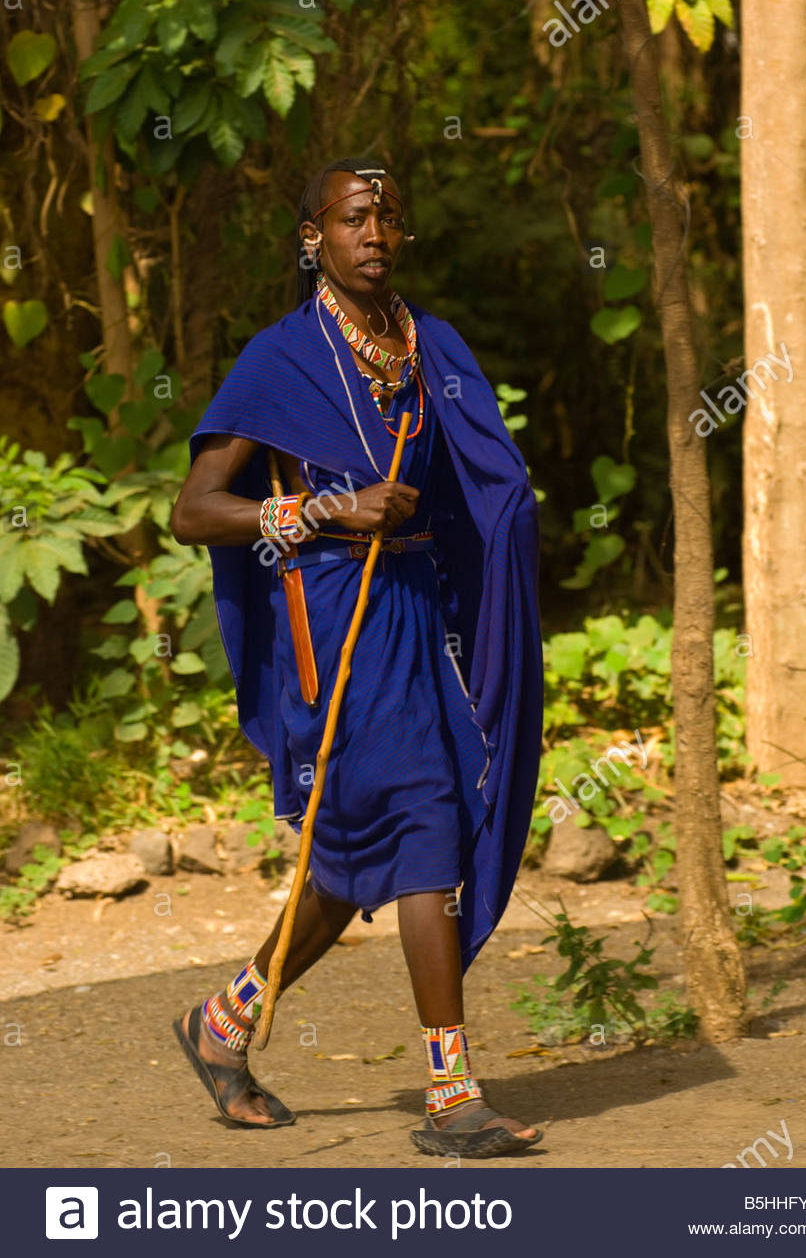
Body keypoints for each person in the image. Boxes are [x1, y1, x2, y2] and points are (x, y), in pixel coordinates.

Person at [170, 156, 544, 1157]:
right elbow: (193, 511)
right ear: (313, 239)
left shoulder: (433, 345)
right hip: (330, 625)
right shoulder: (280, 358)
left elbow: (479, 477)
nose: (373, 233)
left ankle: (222, 1023)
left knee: (348, 857)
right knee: (423, 819)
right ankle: (450, 1095)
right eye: (351, 218)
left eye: (383, 217)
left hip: (418, 613)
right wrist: (327, 507)